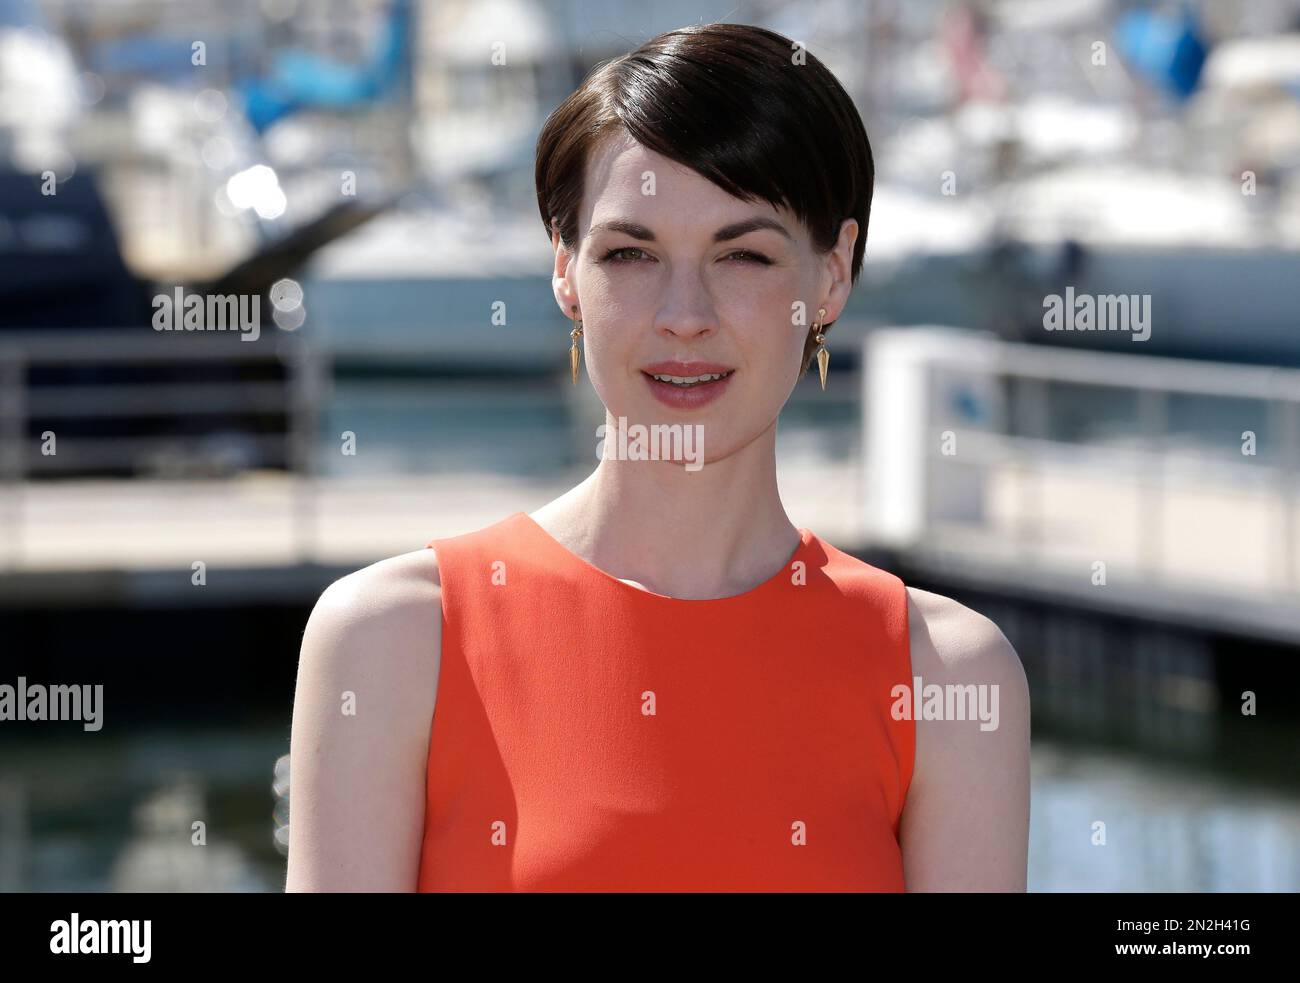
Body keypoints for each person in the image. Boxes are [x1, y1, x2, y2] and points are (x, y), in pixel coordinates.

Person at [285, 22, 1029, 892]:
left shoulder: (946, 675)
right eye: (631, 253)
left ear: (831, 277)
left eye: (743, 254)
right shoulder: (391, 640)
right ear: (566, 269)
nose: (684, 312)